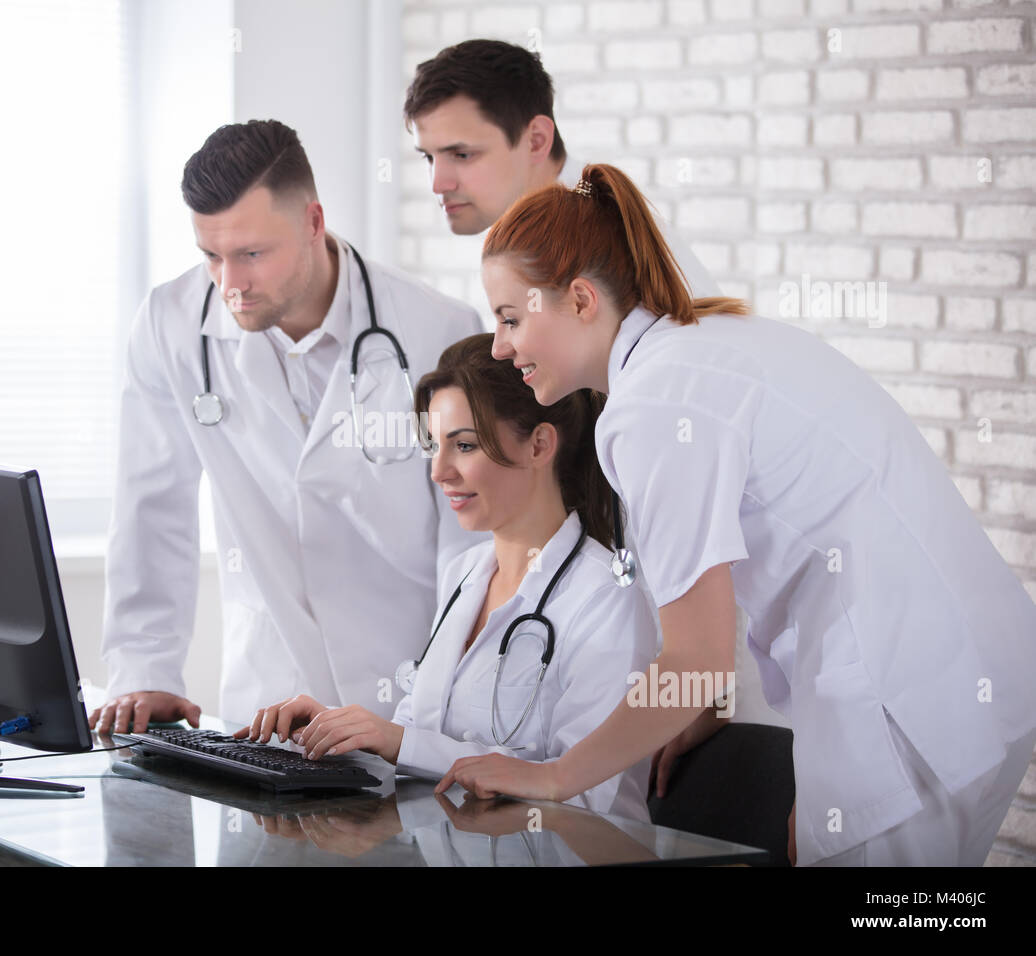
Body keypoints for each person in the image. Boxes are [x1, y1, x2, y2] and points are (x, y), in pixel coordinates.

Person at [436, 162, 1036, 866]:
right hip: (971, 671)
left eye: (510, 319)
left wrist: (553, 777)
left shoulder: (651, 406)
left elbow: (696, 651)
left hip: (900, 703)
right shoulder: (715, 343)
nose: (502, 347)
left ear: (578, 299)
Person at [89, 120, 483, 734]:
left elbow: (474, 541)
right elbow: (151, 506)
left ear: (313, 223)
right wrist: (145, 667)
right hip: (266, 697)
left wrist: (436, 712)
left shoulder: (437, 329)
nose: (231, 284)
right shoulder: (170, 324)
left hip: (405, 694)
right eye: (211, 255)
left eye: (251, 254)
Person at [237, 334, 661, 822]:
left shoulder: (605, 597)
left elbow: (586, 796)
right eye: (434, 446)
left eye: (464, 445)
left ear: (541, 444)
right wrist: (341, 737)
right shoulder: (466, 575)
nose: (439, 471)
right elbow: (417, 738)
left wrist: (401, 742)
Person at [403, 38, 718, 298]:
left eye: (460, 154)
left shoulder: (598, 244)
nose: (437, 184)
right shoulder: (531, 236)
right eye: (428, 157)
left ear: (536, 141)